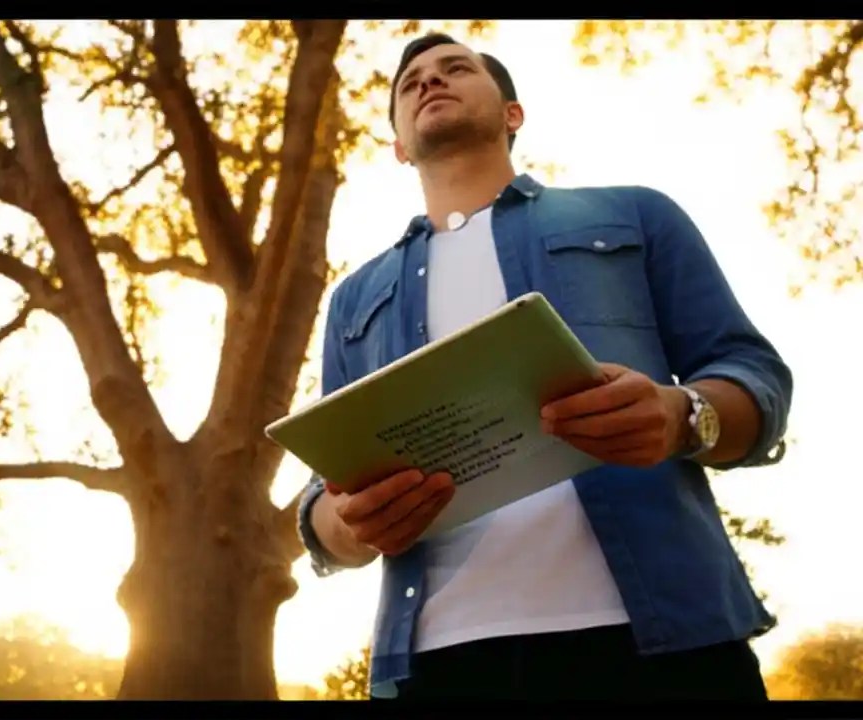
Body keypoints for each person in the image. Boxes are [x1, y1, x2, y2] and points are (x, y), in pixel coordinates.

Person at [296, 32, 794, 701]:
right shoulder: (355, 299)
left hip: (666, 647)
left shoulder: (636, 214)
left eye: (455, 69)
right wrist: (342, 527)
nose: (429, 81)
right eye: (411, 81)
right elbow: (333, 483)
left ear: (512, 114)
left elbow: (750, 374)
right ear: (397, 145)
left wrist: (682, 418)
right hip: (438, 665)